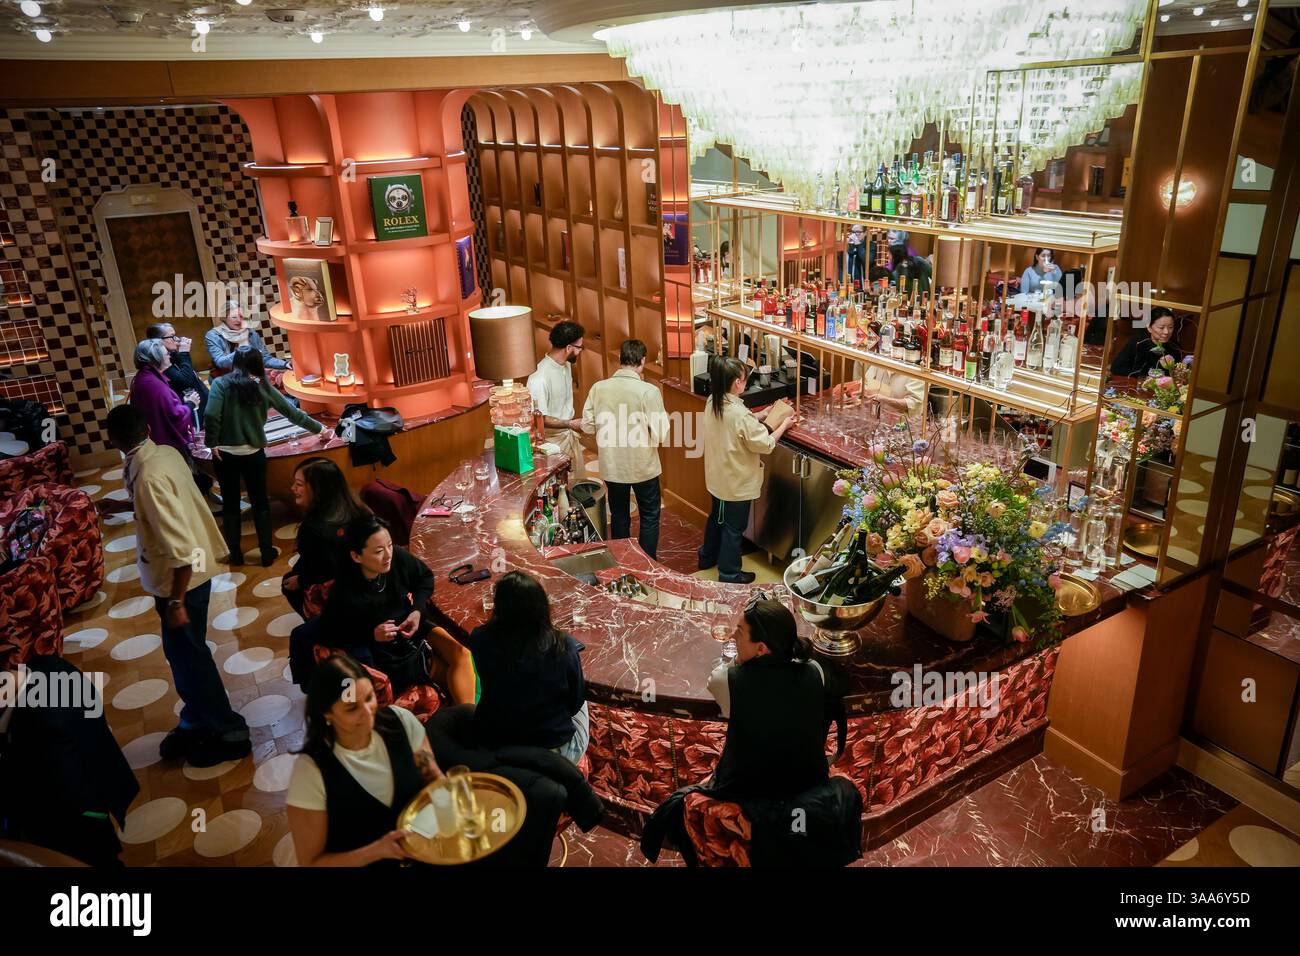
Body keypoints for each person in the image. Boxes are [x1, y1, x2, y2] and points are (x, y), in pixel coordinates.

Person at [641, 597, 860, 866]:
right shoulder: (815, 672)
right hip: (806, 788)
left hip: (745, 795)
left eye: (740, 632)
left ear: (761, 648)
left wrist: (739, 661)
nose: (733, 635)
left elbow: (729, 674)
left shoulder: (726, 680)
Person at [102, 405, 251, 766]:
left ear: (113, 440)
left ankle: (228, 729)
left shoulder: (150, 475)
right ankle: (197, 719)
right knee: (183, 654)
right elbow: (163, 502)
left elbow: (181, 552)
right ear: (148, 427)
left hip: (182, 580)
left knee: (191, 657)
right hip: (188, 570)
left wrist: (176, 601)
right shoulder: (163, 453)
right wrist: (121, 504)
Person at [290, 515, 475, 703]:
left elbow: (424, 578)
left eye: (390, 545)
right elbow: (335, 633)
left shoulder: (396, 557)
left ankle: (467, 719)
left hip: (410, 623)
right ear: (356, 556)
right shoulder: (344, 592)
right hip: (388, 652)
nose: (388, 555)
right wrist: (372, 634)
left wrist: (417, 611)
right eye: (379, 551)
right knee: (449, 675)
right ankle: (464, 718)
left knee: (462, 653)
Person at [286, 654, 441, 867]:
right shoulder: (311, 771)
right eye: (351, 708)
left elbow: (433, 778)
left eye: (369, 698)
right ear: (326, 714)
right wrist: (377, 851)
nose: (368, 713)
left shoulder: (401, 721)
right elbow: (311, 862)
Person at [0, 653, 140, 866]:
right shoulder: (50, 667)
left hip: (70, 832)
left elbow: (77, 803)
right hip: (95, 796)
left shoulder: (40, 735)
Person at [205, 345, 328, 567]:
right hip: (253, 454)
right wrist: (320, 429)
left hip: (225, 455)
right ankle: (265, 552)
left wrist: (212, 443)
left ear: (235, 363)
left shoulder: (220, 384)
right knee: (260, 502)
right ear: (258, 364)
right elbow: (293, 413)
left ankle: (235, 553)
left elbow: (211, 414)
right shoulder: (262, 386)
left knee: (231, 504)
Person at [463, 571, 588, 764]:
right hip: (553, 752)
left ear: (498, 607)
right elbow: (575, 702)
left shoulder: (479, 638)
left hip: (495, 741)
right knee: (585, 701)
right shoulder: (562, 646)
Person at [698, 356, 798, 584]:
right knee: (734, 528)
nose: (745, 383)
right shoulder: (738, 413)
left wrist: (762, 415)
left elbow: (738, 425)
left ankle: (707, 558)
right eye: (744, 379)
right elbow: (765, 443)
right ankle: (730, 573)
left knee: (717, 519)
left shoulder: (714, 400)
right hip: (736, 482)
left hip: (718, 477)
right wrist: (784, 423)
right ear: (736, 382)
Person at [581, 338, 666, 559]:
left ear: (620, 360)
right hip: (643, 464)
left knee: (619, 515)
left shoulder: (599, 388)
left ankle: (622, 561)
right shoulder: (649, 391)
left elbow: (587, 425)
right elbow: (661, 432)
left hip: (612, 463)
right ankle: (648, 565)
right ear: (643, 361)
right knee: (649, 515)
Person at [282, 457, 369, 616]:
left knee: (288, 582)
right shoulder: (359, 509)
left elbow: (326, 570)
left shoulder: (312, 529)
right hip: (369, 576)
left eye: (299, 484)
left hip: (345, 592)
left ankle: (319, 626)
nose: (292, 488)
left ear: (319, 489)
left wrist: (301, 581)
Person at [128, 337, 210, 495]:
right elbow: (174, 417)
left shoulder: (145, 378)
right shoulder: (153, 384)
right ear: (155, 358)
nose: (169, 356)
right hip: (165, 445)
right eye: (166, 354)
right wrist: (190, 404)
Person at [527, 320, 587, 473]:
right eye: (579, 347)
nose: (580, 351)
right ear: (568, 348)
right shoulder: (539, 378)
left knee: (576, 487)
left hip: (568, 437)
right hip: (551, 445)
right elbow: (539, 419)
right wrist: (570, 424)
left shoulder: (566, 364)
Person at [204, 300, 290, 387]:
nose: (239, 320)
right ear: (224, 318)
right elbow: (221, 362)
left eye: (241, 316)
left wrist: (285, 364)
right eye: (234, 317)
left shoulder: (251, 333)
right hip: (224, 376)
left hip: (248, 375)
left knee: (272, 385)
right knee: (253, 390)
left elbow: (265, 358)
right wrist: (243, 348)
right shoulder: (214, 335)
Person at [146, 322, 209, 426]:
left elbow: (189, 373)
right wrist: (184, 353)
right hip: (186, 410)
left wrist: (181, 353)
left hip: (199, 404)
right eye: (172, 336)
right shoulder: (160, 361)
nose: (178, 339)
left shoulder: (173, 353)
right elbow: (186, 382)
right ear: (159, 341)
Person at [1110, 306, 1183, 378]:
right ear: (1149, 328)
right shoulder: (1137, 343)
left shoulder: (1175, 348)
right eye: (1161, 327)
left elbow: (1176, 376)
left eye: (1170, 327)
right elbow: (1116, 368)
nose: (1166, 332)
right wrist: (1144, 377)